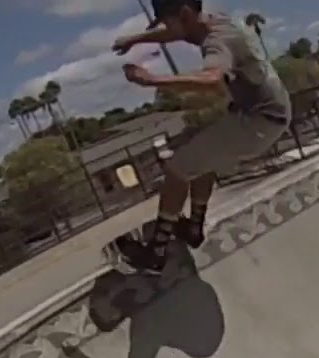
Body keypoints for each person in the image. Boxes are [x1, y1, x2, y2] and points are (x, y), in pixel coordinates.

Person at [110, 0, 291, 274]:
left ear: (184, 14)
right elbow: (175, 32)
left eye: (166, 21)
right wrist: (136, 39)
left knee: (177, 169)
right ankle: (193, 226)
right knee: (198, 151)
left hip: (257, 123)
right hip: (264, 115)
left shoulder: (216, 42)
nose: (165, 29)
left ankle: (156, 253)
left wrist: (152, 81)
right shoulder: (214, 21)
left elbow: (212, 79)